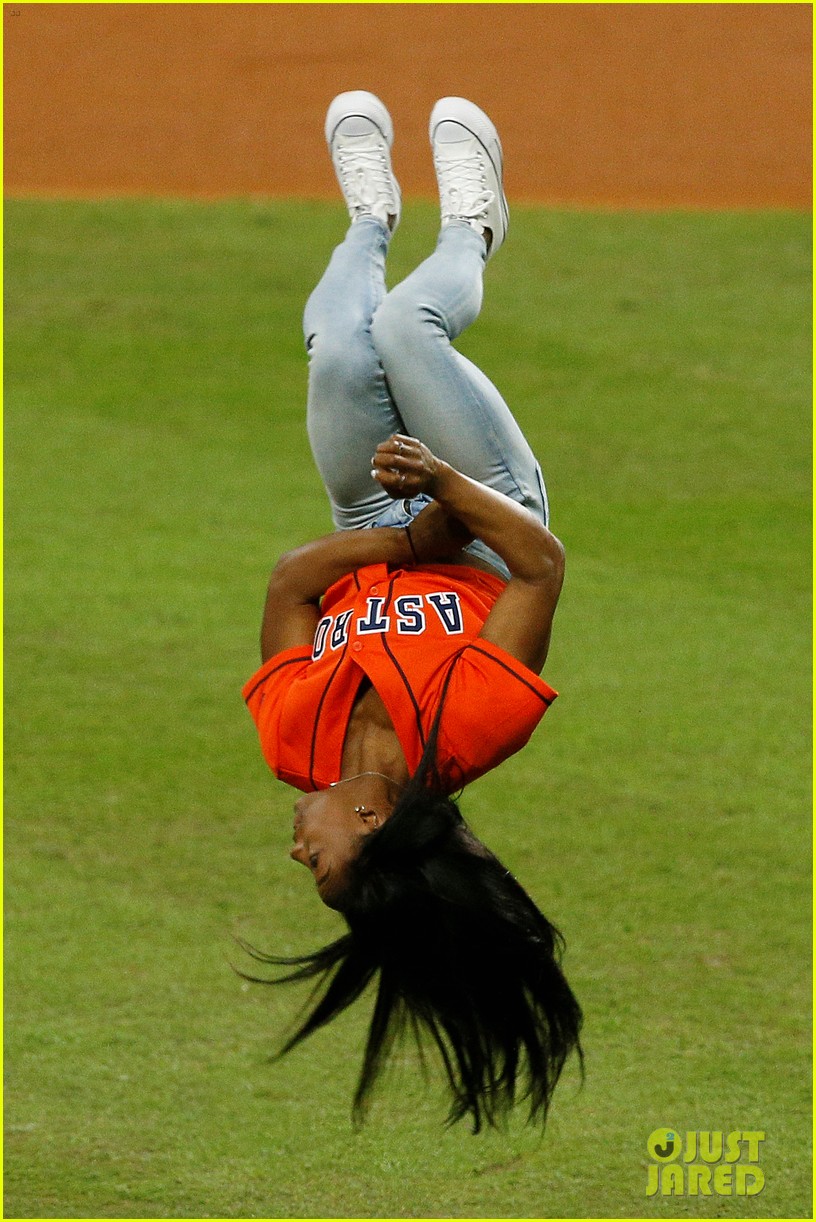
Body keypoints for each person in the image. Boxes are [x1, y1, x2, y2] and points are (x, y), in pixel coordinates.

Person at [241, 92, 583, 1133]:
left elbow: (294, 581)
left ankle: (370, 216)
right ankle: (474, 227)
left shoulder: (290, 740)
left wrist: (397, 538)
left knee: (342, 352)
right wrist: (443, 489)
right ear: (373, 823)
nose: (300, 854)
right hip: (488, 510)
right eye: (327, 866)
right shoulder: (475, 727)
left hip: (370, 516)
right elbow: (538, 565)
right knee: (405, 324)